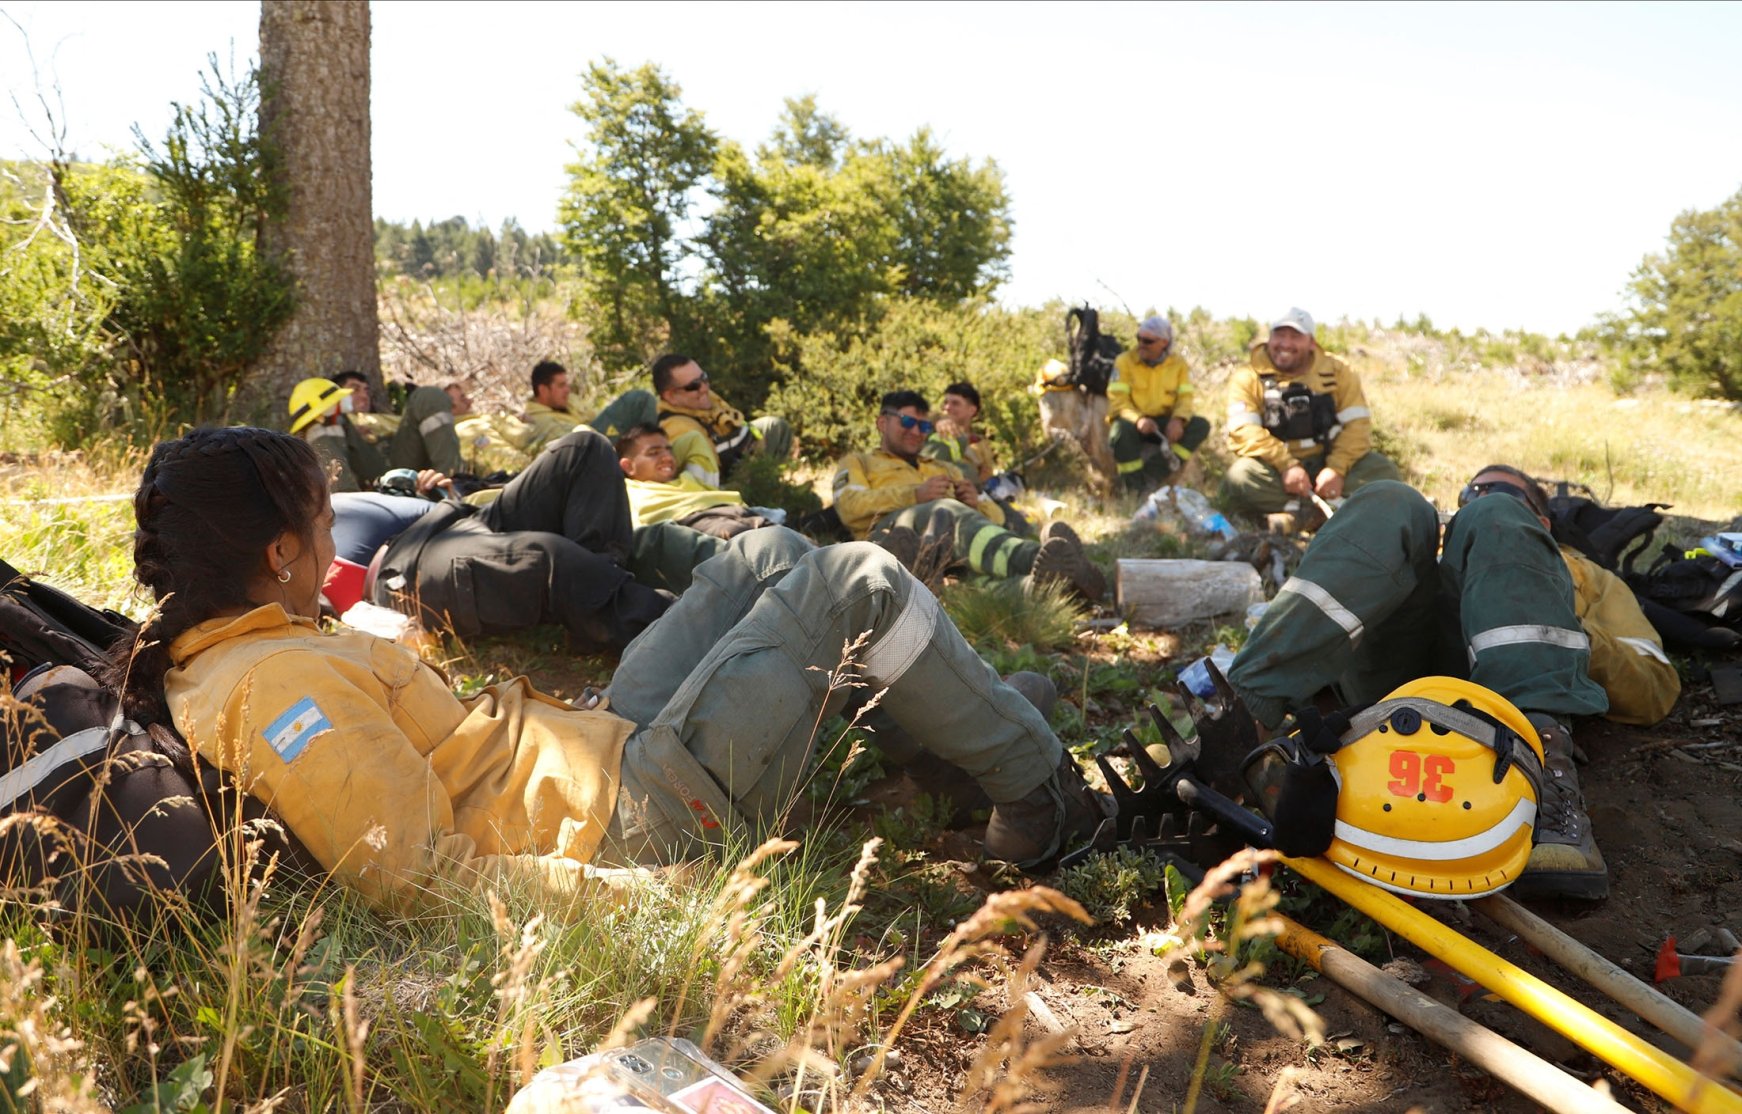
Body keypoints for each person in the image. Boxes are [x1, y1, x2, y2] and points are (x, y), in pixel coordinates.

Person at [116, 426, 1108, 916]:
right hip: (632, 816)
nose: (335, 534)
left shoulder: (250, 640)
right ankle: (1039, 792)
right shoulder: (276, 688)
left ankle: (921, 736)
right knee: (858, 579)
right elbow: (411, 873)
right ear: (278, 553)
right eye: (320, 518)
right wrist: (642, 897)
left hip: (585, 748)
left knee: (761, 558)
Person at [1227, 466, 1680, 900]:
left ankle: (1549, 789)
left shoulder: (1586, 574)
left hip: (1499, 721)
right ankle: (1236, 731)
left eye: (1506, 495)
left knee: (1495, 522)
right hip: (1388, 697)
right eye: (1470, 497)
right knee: (1392, 499)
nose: (1477, 504)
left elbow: (1653, 686)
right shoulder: (1417, 557)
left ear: (1540, 520)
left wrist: (1555, 626)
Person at [832, 390, 1104, 600]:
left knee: (968, 581)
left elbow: (995, 517)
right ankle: (1034, 556)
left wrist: (977, 502)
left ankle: (1048, 590)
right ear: (882, 422)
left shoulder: (942, 467)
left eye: (924, 427)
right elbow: (849, 507)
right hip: (892, 538)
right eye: (907, 422)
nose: (916, 432)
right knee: (945, 511)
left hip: (952, 547)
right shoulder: (859, 462)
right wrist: (914, 495)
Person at [1222, 308, 1401, 529]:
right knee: (1240, 478)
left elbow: (1358, 426)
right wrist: (1287, 465)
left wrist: (1336, 469)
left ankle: (1298, 518)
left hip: (1328, 465)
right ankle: (1335, 512)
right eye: (1279, 335)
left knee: (1384, 473)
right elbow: (1243, 430)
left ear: (1311, 343)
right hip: (1276, 471)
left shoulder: (1338, 371)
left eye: (1295, 336)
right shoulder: (1247, 377)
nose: (1285, 344)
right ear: (1269, 339)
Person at [289, 375, 464, 492]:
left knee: (429, 396)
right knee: (320, 429)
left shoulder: (384, 420)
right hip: (373, 491)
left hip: (402, 465)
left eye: (366, 390)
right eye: (353, 389)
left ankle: (450, 487)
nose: (363, 395)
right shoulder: (327, 429)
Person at [653, 353, 792, 489]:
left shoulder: (700, 398)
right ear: (670, 396)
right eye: (693, 386)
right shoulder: (677, 428)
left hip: (742, 454)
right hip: (722, 484)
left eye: (704, 378)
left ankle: (773, 484)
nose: (705, 388)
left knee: (775, 426)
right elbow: (708, 478)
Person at [615, 424, 777, 541]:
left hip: (737, 511)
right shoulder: (627, 490)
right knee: (762, 544)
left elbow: (693, 438)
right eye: (654, 452)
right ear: (628, 466)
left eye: (669, 450)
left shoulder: (688, 477)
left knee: (790, 540)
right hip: (692, 522)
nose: (667, 457)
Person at [1106, 315, 1211, 490]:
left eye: (1147, 341)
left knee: (1200, 425)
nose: (1141, 344)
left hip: (1163, 422)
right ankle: (1134, 488)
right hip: (1133, 422)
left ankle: (1154, 474)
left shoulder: (1178, 364)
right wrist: (1138, 419)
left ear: (1164, 342)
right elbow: (1118, 400)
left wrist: (1178, 419)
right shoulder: (1124, 361)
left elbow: (1185, 398)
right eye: (1138, 338)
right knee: (1120, 431)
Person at [922, 381, 1032, 536]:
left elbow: (986, 474)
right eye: (945, 402)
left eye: (955, 403)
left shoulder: (980, 443)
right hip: (941, 494)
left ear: (971, 410)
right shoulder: (931, 429)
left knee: (1016, 523)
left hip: (975, 495)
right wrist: (938, 421)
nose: (947, 407)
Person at [522, 361, 658, 454]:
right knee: (638, 399)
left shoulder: (569, 401)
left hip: (598, 436)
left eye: (567, 385)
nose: (567, 390)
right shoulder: (537, 419)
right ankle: (654, 449)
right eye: (561, 385)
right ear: (543, 390)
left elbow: (596, 416)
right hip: (588, 446)